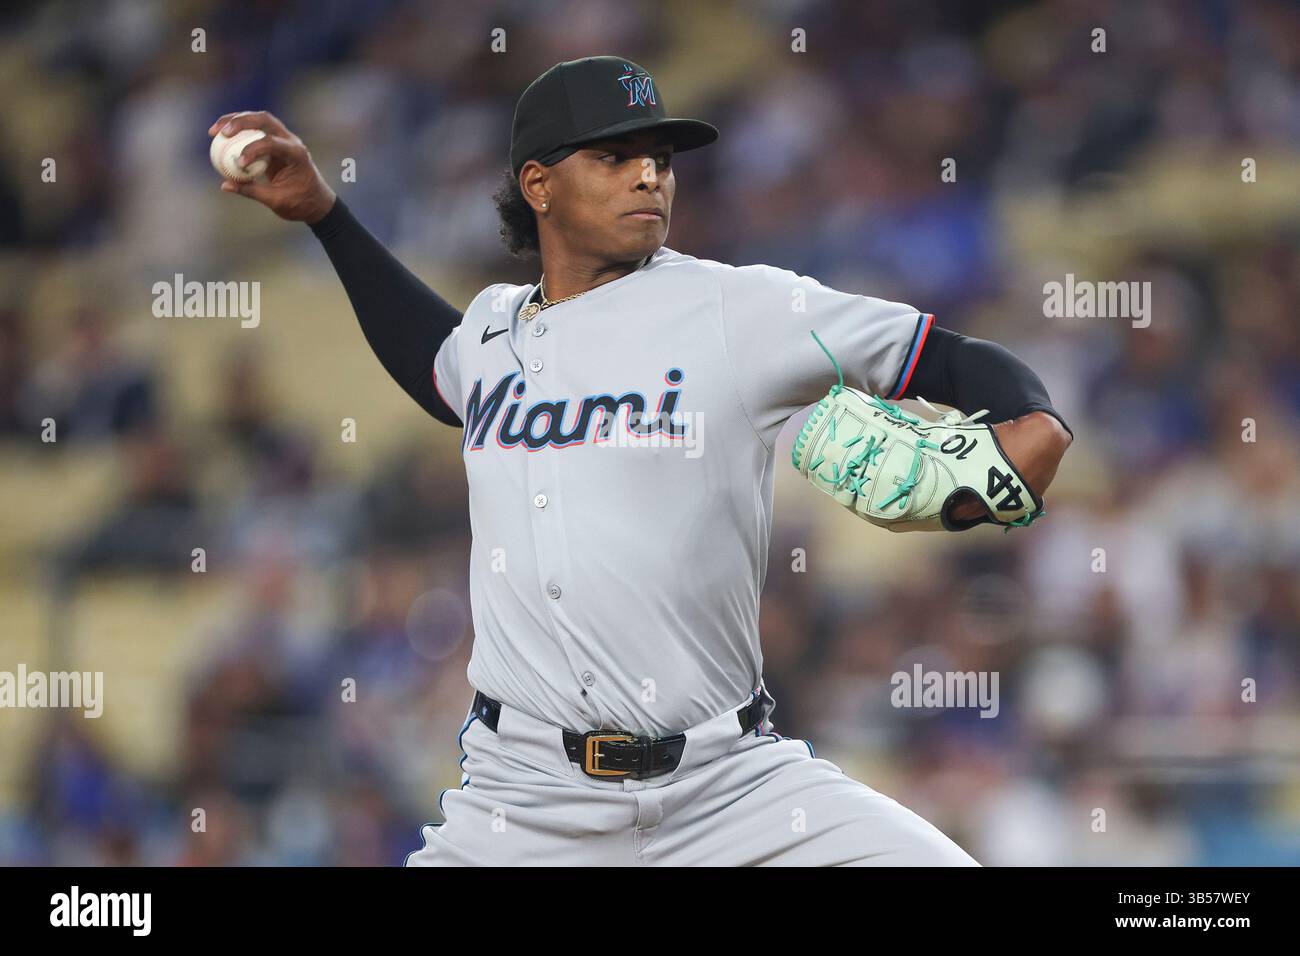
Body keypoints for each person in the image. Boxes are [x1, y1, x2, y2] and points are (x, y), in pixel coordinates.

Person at [210, 55, 1071, 866]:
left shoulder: (739, 308)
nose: (649, 174)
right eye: (614, 156)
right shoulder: (492, 334)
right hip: (525, 801)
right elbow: (435, 364)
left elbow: (939, 354)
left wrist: (1035, 419)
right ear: (537, 185)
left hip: (730, 787)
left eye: (660, 156)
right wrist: (326, 212)